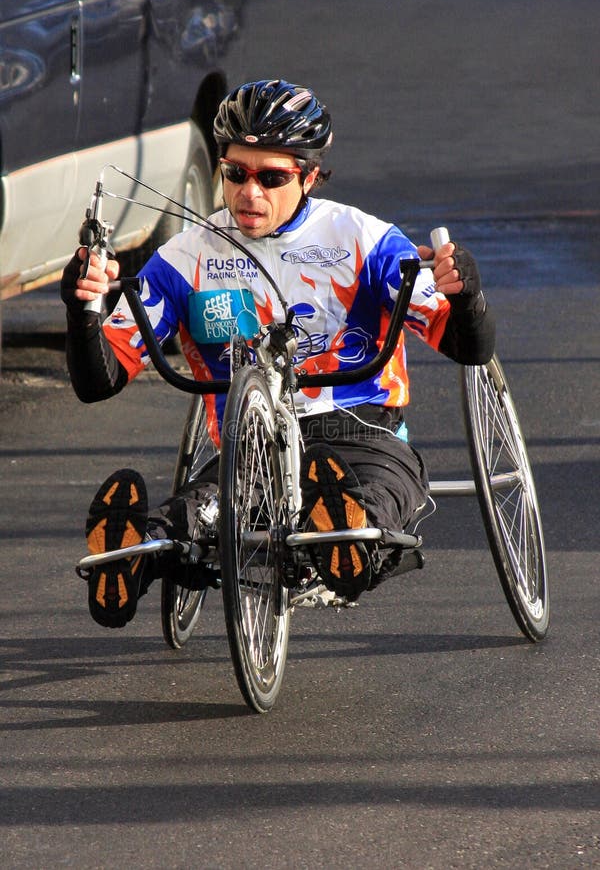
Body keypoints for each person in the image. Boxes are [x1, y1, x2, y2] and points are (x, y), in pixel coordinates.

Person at [61, 78, 495, 628]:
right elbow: (99, 380)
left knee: (375, 491)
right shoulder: (184, 256)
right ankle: (133, 554)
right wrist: (82, 310)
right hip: (253, 448)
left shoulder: (365, 240)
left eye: (271, 178)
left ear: (309, 176)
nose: (249, 194)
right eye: (235, 174)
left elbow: (467, 346)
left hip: (359, 430)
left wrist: (468, 295)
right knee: (200, 516)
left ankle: (345, 536)